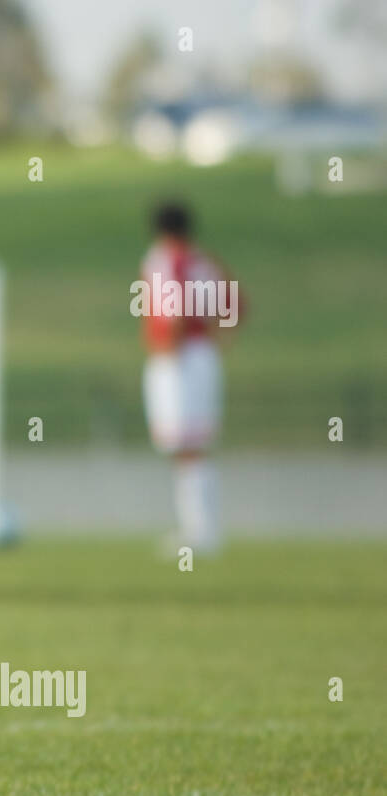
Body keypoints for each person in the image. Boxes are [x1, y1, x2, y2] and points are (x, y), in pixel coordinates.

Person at [139, 201, 243, 556]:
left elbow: (174, 311)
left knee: (187, 446)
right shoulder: (205, 260)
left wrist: (172, 347)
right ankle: (200, 529)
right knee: (191, 445)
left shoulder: (166, 259)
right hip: (201, 355)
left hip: (179, 358)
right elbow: (235, 305)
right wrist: (216, 341)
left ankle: (200, 533)